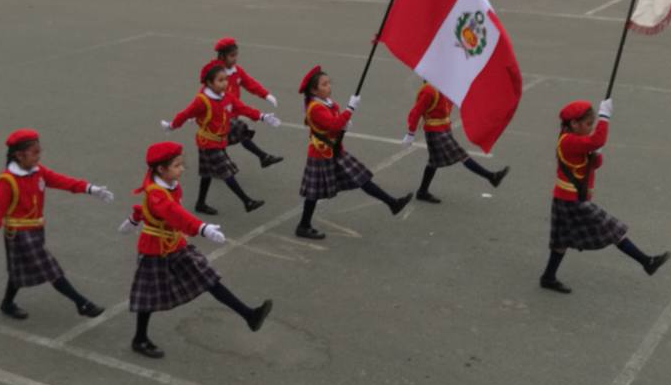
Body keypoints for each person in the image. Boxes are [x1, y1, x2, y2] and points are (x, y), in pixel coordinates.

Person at [117, 141, 273, 359]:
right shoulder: (156, 194)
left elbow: (175, 213)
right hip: (155, 250)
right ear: (161, 169)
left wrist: (187, 229)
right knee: (148, 297)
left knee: (208, 278)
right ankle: (140, 339)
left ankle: (249, 315)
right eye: (177, 165)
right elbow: (174, 213)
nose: (182, 169)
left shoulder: (171, 186)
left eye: (182, 164)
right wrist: (201, 228)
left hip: (175, 244)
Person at [0, 129, 114, 319]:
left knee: (18, 271)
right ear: (19, 155)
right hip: (19, 234)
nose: (38, 156)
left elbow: (61, 181)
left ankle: (7, 303)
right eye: (34, 152)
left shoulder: (38, 172)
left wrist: (90, 188)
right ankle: (82, 303)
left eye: (39, 151)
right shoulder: (7, 180)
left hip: (36, 230)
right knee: (50, 268)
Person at [540, 100, 671, 293]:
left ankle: (548, 277)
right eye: (588, 124)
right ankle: (646, 261)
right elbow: (597, 140)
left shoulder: (577, 139)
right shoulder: (568, 141)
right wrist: (604, 117)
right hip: (570, 201)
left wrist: (596, 151)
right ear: (574, 124)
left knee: (561, 241)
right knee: (612, 229)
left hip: (570, 200)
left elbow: (595, 163)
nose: (591, 128)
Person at [295, 66, 413, 240]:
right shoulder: (315, 108)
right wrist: (350, 109)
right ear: (313, 90)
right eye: (324, 84)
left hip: (335, 150)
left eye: (329, 83)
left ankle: (392, 203)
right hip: (321, 155)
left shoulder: (326, 103)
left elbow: (336, 123)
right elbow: (333, 125)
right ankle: (303, 226)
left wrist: (344, 122)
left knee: (361, 178)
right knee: (314, 193)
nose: (329, 86)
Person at [162, 62, 281, 215]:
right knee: (227, 172)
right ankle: (247, 201)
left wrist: (262, 116)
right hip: (208, 143)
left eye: (225, 79)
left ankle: (200, 203)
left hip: (220, 140)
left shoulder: (227, 96)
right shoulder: (202, 100)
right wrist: (172, 125)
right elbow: (185, 114)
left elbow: (242, 108)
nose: (225, 83)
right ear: (209, 83)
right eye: (220, 80)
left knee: (207, 174)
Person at [403, 82, 509, 203]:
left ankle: (422, 191)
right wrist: (410, 133)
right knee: (461, 155)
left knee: (433, 162)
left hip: (444, 128)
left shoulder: (443, 87)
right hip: (435, 131)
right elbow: (416, 112)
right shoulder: (428, 91)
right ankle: (491, 176)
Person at [209, 38, 283, 170]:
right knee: (239, 134)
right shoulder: (215, 74)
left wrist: (266, 95)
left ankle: (219, 162)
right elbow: (205, 92)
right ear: (222, 56)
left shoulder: (236, 71)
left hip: (232, 112)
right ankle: (263, 157)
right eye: (232, 56)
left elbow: (249, 83)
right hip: (219, 114)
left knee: (229, 138)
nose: (235, 59)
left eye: (236, 55)